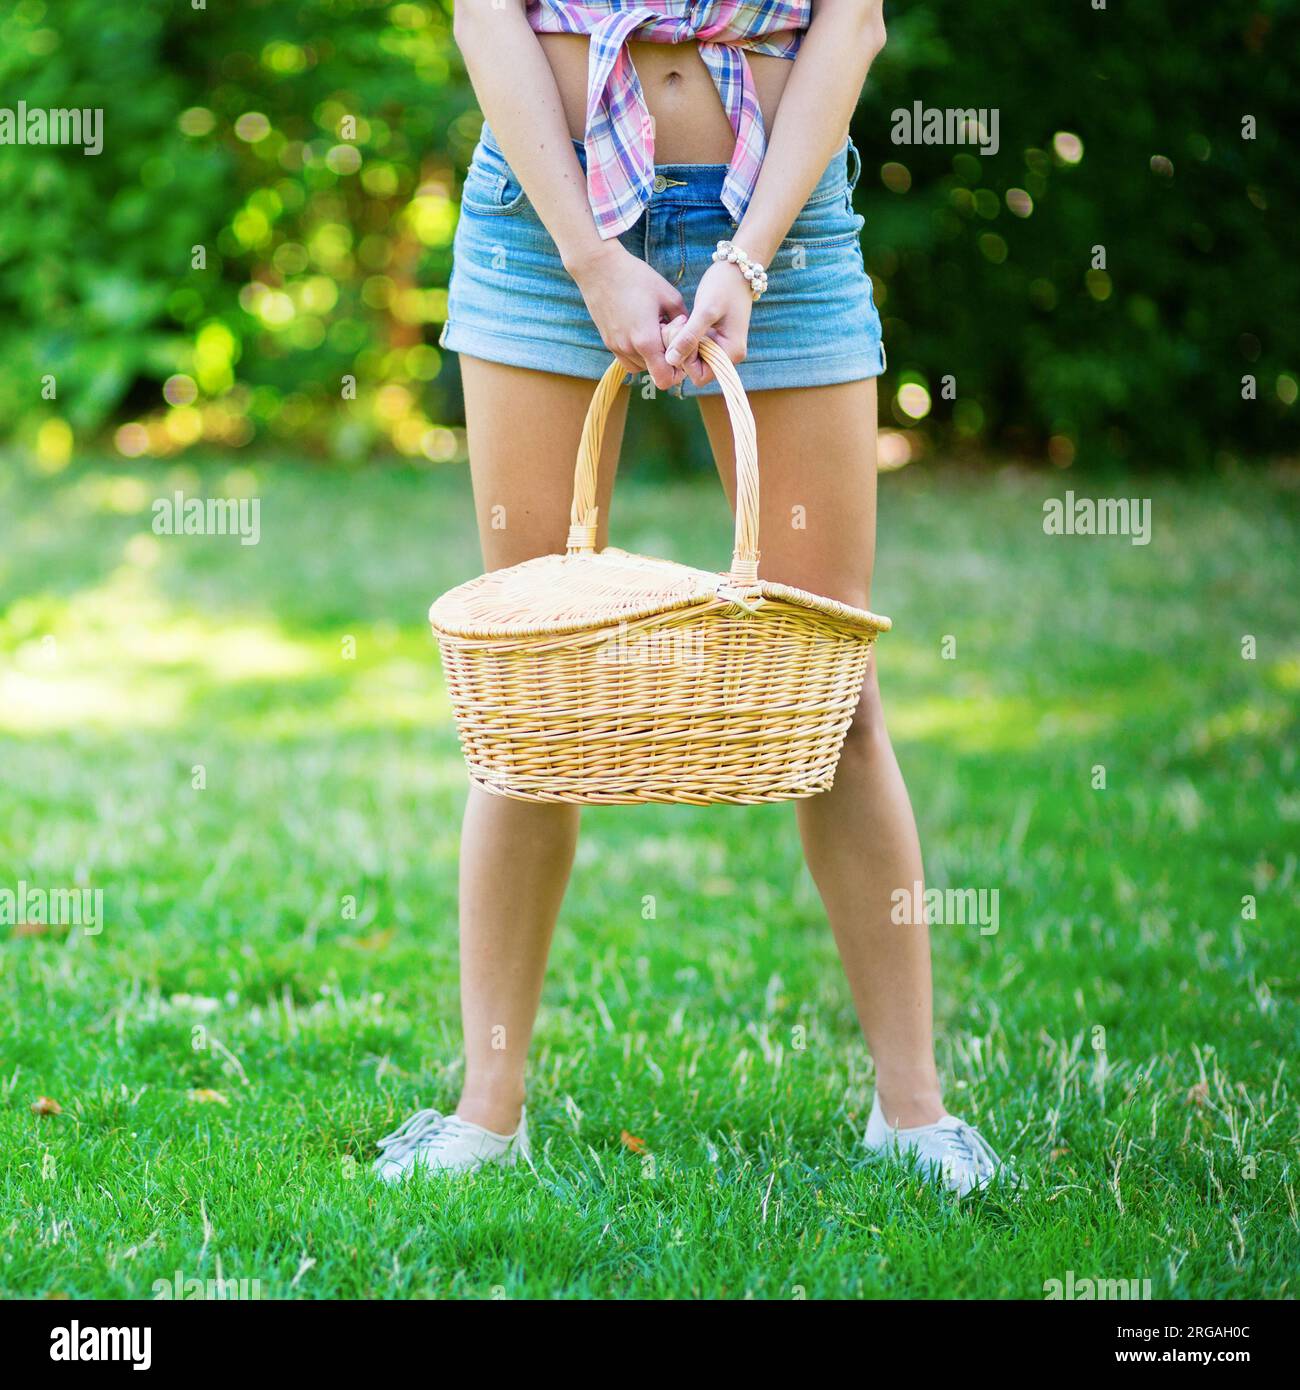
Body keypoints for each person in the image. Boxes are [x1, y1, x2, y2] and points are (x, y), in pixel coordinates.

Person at [373, 0, 1013, 1198]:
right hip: (542, 217)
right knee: (531, 676)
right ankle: (487, 1109)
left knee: (835, 687)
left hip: (782, 221)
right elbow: (483, 14)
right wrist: (592, 254)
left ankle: (913, 1112)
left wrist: (747, 256)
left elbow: (853, 24)